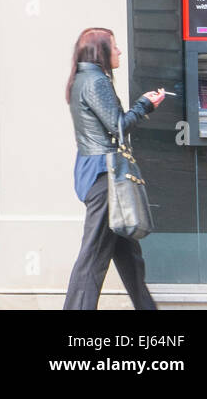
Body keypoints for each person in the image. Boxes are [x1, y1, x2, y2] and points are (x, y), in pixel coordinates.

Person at [63, 27, 166, 310]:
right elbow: (118, 126)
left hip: (98, 173)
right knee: (93, 257)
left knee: (129, 255)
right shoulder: (96, 81)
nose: (120, 51)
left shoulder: (83, 78)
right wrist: (146, 105)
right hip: (106, 177)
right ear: (101, 52)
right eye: (115, 46)